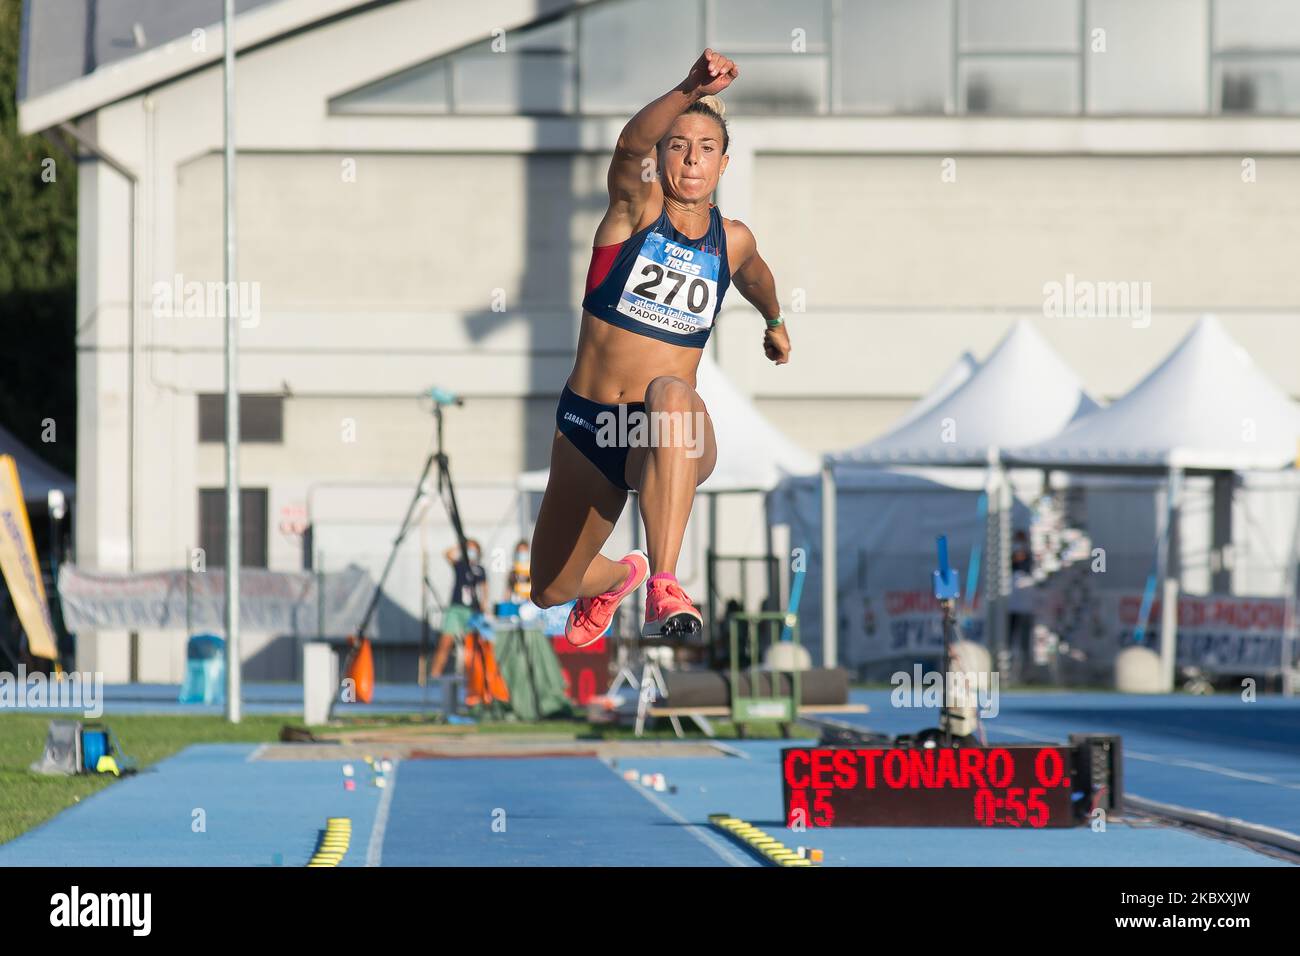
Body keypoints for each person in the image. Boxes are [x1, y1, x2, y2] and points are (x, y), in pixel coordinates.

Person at [530, 49, 791, 648]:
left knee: (671, 392)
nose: (692, 157)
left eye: (705, 147)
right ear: (661, 157)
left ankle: (665, 581)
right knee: (548, 587)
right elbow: (626, 148)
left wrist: (774, 320)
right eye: (677, 145)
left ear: (723, 163)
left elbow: (755, 276)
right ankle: (627, 575)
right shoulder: (632, 214)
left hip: (664, 435)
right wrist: (686, 88)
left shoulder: (734, 240)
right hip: (588, 425)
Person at [429, 538, 488, 678]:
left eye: (473, 549)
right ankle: (434, 676)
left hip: (472, 611)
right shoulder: (460, 565)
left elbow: (485, 589)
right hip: (456, 608)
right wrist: (460, 545)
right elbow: (447, 554)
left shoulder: (480, 570)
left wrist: (484, 606)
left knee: (471, 645)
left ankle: (471, 676)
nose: (471, 552)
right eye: (469, 549)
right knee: (445, 642)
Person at [505, 539, 532, 604]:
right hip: (515, 603)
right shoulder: (513, 572)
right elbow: (508, 591)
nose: (522, 554)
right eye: (520, 551)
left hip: (529, 604)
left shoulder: (532, 571)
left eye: (524, 551)